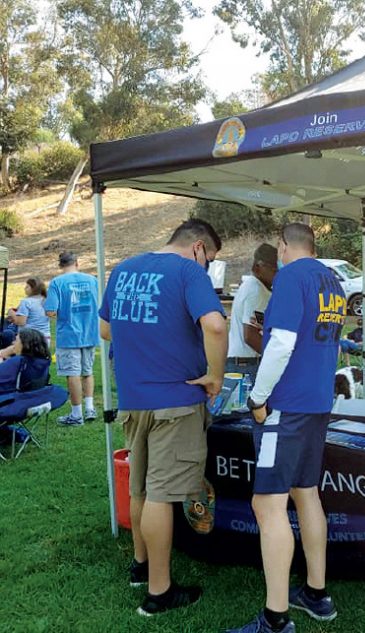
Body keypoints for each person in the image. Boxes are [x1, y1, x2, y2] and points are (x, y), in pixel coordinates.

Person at [100, 218, 228, 616]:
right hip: (177, 400)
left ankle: (140, 565)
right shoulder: (190, 271)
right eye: (211, 259)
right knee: (160, 494)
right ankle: (159, 592)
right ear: (198, 248)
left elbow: (106, 330)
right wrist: (216, 376)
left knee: (139, 488)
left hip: (135, 399)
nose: (208, 266)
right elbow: (216, 325)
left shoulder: (123, 269)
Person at [226, 224, 345, 633]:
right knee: (306, 492)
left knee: (268, 506)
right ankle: (316, 593)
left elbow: (280, 344)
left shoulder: (291, 277)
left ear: (282, 248)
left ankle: (276, 619)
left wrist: (257, 398)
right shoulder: (333, 280)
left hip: (286, 406)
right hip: (316, 404)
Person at [45, 251, 101, 424]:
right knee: (87, 371)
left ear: (60, 265)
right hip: (90, 332)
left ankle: (76, 415)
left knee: (72, 374)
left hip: (69, 334)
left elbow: (51, 311)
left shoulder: (57, 283)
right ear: (77, 262)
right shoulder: (93, 280)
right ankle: (90, 408)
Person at [228, 244, 279, 375]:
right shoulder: (256, 290)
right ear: (258, 267)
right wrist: (274, 357)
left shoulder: (259, 288)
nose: (277, 273)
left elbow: (259, 324)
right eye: (274, 270)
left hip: (245, 363)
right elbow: (250, 335)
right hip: (246, 364)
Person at [0, 329, 53, 398]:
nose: (13, 343)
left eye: (16, 340)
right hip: (31, 398)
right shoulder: (42, 362)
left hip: (12, 399)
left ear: (24, 344)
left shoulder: (18, 362)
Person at [12, 278, 51, 345]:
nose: (24, 288)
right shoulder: (46, 300)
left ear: (33, 289)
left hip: (29, 339)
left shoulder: (26, 302)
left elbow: (21, 322)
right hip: (45, 339)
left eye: (27, 287)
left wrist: (11, 313)